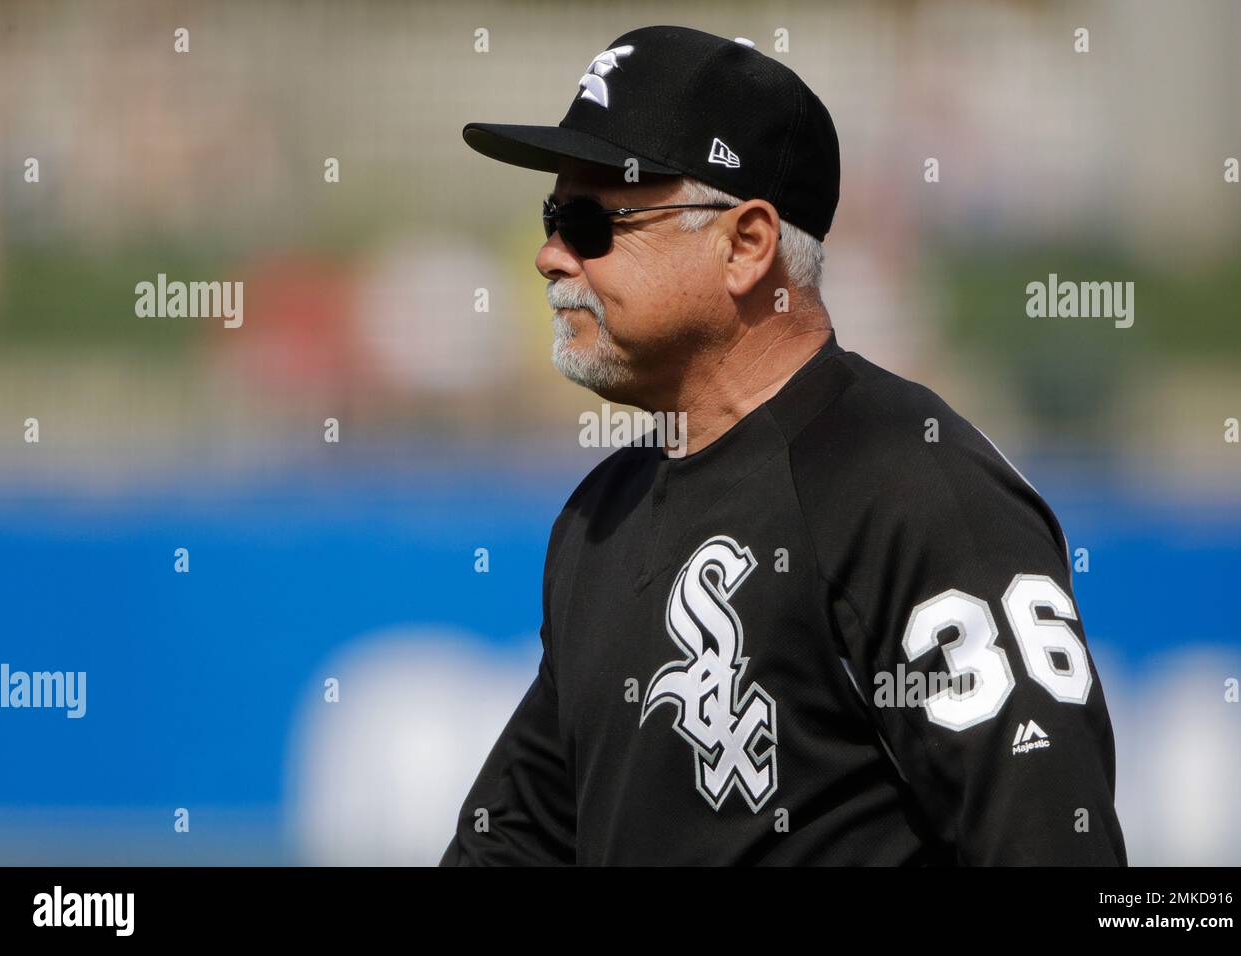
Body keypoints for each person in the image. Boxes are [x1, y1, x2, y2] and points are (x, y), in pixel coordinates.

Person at [441, 24, 1126, 865]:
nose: (551, 256)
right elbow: (515, 843)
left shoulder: (913, 489)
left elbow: (1049, 842)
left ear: (746, 245)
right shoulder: (598, 518)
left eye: (591, 221)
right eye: (554, 215)